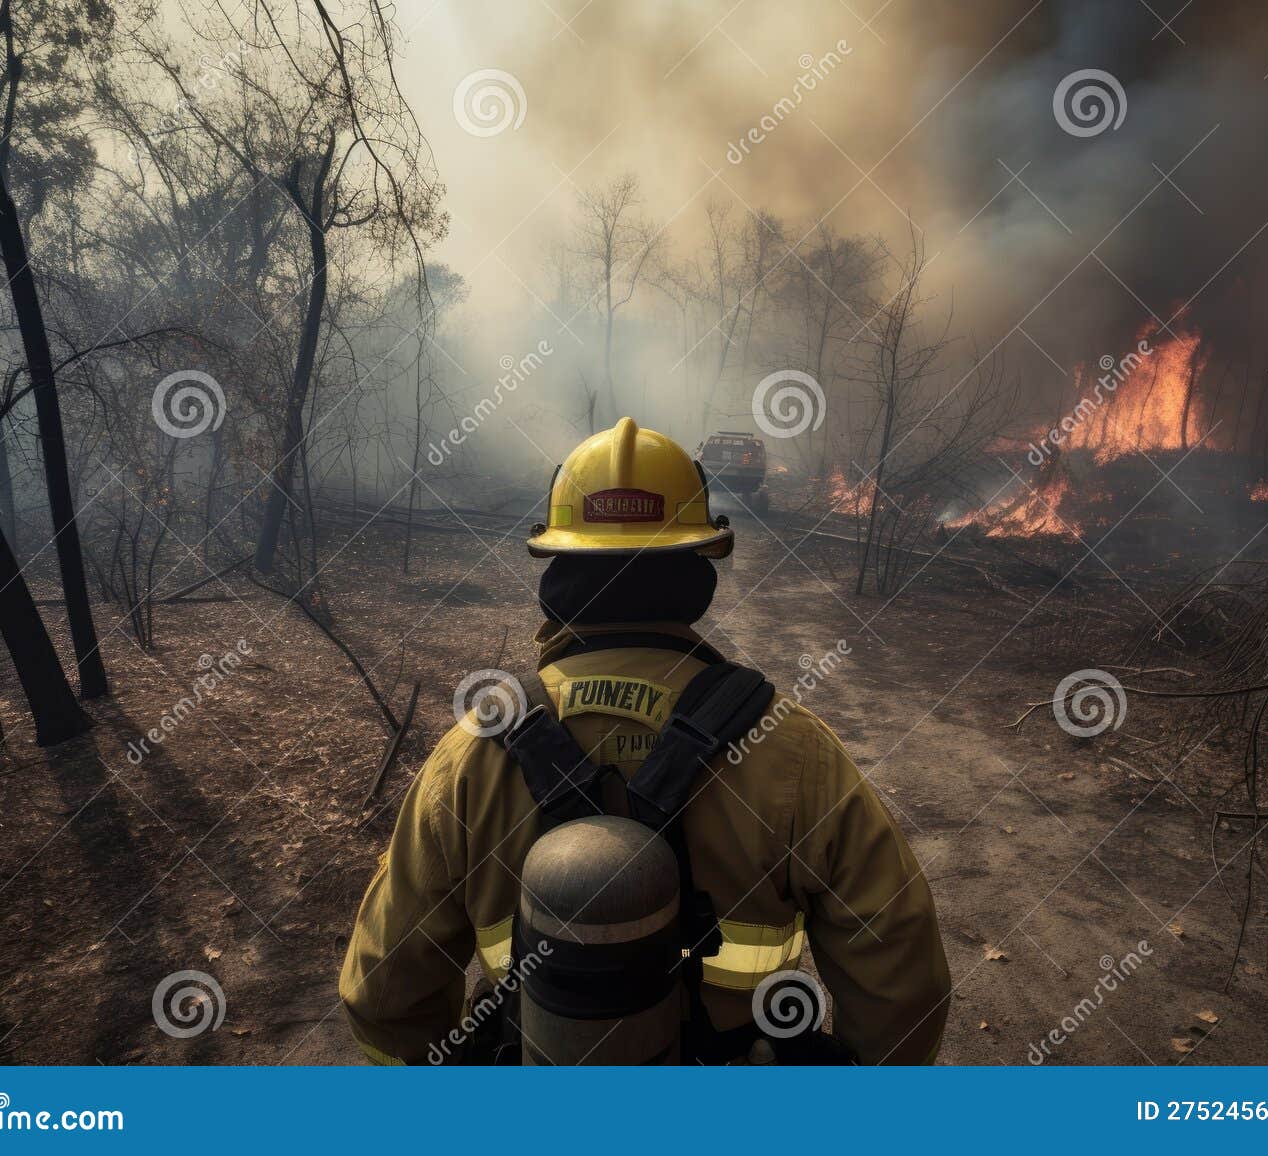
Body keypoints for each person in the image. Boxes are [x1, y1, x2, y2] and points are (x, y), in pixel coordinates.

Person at [339, 417, 950, 1064]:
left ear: (559, 574)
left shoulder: (472, 756)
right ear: (695, 575)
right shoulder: (792, 750)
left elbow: (382, 996)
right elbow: (905, 984)